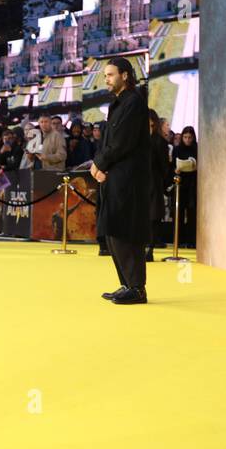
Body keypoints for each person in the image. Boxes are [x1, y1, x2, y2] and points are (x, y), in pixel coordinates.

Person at [91, 57, 151, 304]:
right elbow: (109, 141)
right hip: (115, 176)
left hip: (128, 179)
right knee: (113, 230)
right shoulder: (118, 104)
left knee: (125, 231)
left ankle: (136, 288)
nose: (106, 79)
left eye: (111, 74)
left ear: (125, 75)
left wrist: (98, 164)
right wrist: (99, 166)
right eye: (105, 75)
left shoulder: (134, 103)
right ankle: (126, 283)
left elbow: (121, 142)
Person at [146, 109, 175, 261]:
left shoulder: (160, 142)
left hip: (154, 184)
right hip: (138, 184)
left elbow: (165, 166)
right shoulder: (136, 140)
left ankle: (149, 249)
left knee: (153, 217)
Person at [171, 125, 198, 249]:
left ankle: (192, 240)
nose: (187, 140)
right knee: (179, 214)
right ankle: (179, 240)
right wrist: (176, 170)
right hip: (180, 185)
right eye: (185, 137)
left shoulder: (197, 149)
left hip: (193, 185)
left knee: (192, 215)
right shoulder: (177, 149)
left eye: (189, 137)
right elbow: (172, 166)